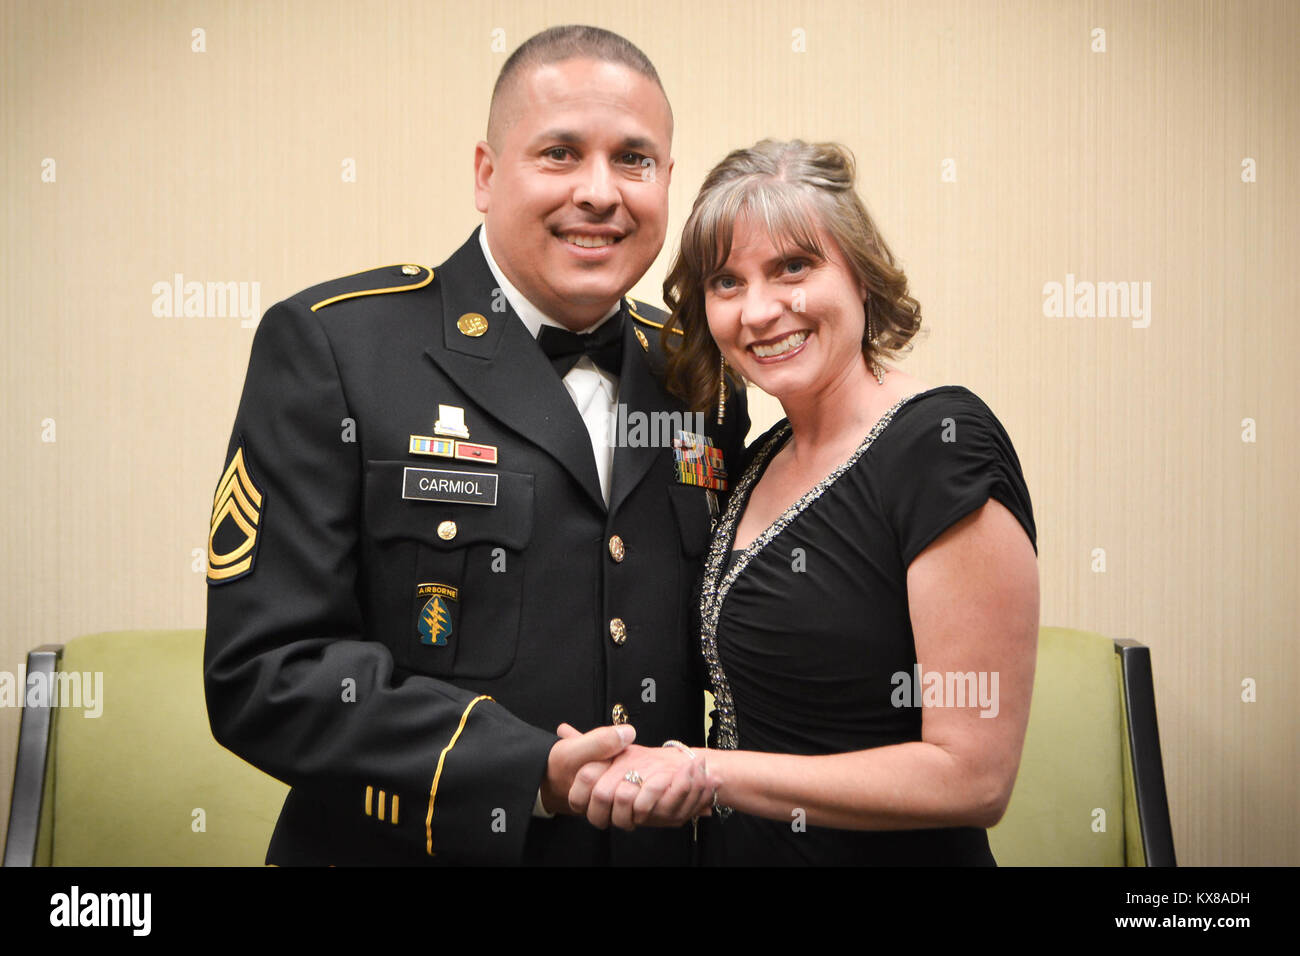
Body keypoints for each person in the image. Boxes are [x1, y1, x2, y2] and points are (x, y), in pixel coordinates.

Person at [203, 25, 747, 866]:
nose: (601, 192)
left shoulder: (700, 374)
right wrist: (527, 771)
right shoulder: (337, 349)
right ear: (487, 175)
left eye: (634, 160)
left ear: (667, 181)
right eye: (560, 153)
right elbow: (265, 674)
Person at [565, 139, 1039, 865]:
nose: (760, 310)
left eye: (793, 267)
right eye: (726, 282)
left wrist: (706, 771)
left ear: (860, 271)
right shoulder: (758, 456)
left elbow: (973, 779)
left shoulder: (942, 448)